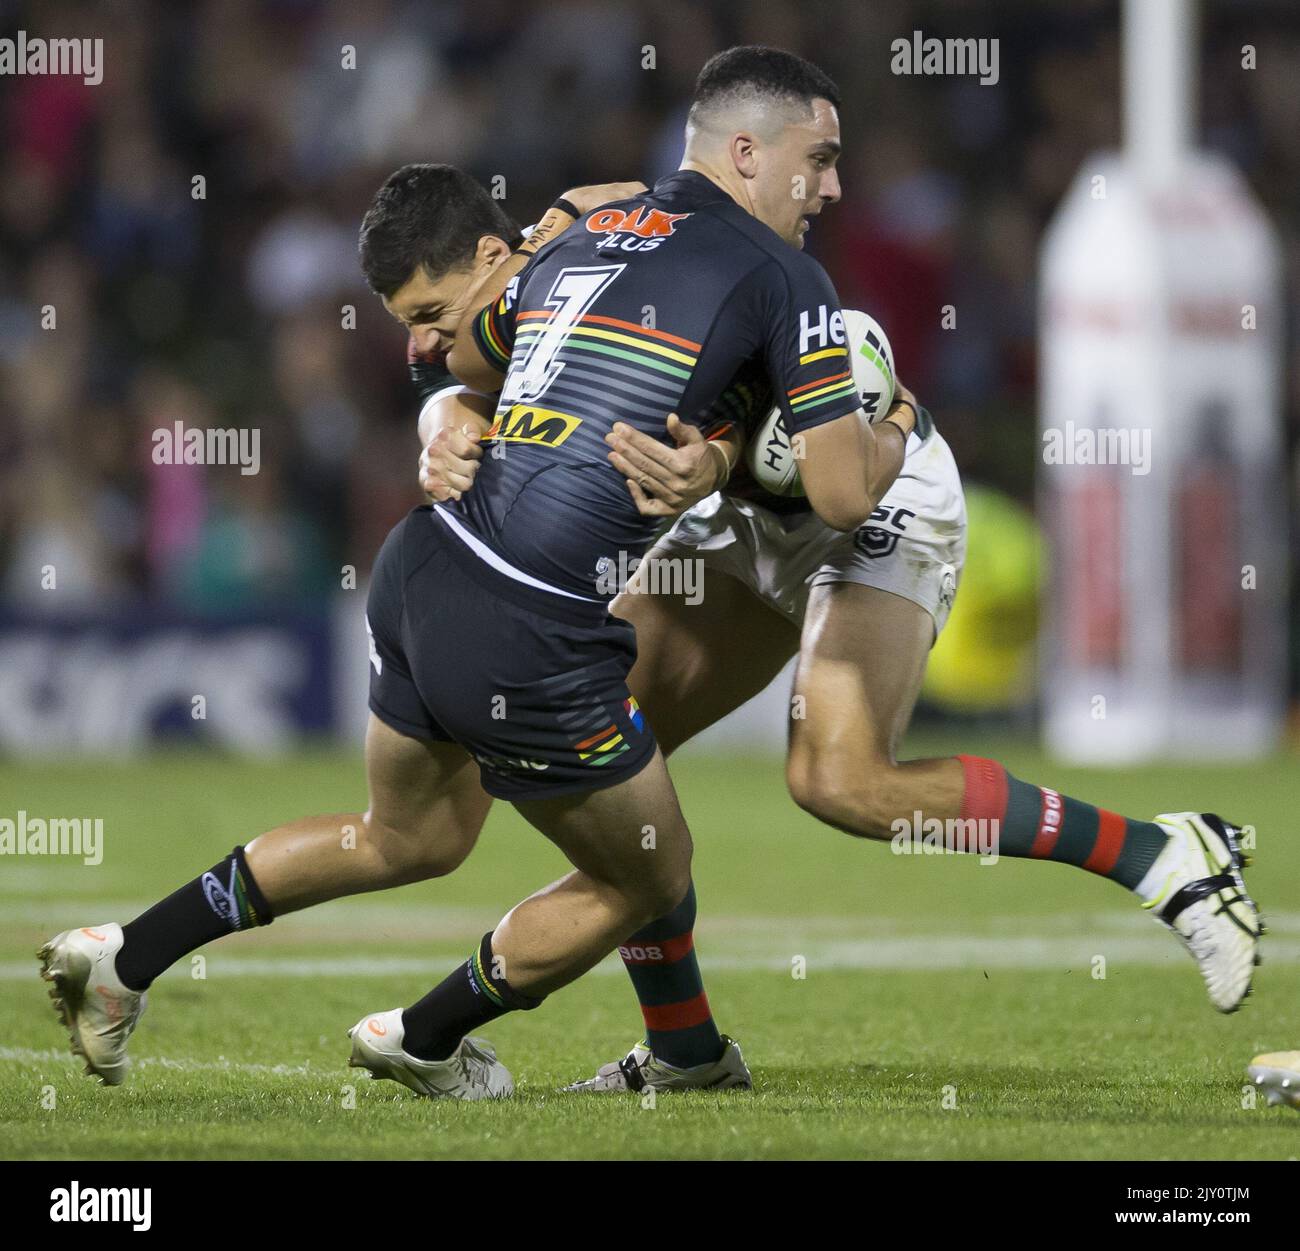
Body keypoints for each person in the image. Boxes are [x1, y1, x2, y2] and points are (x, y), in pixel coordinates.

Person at [39, 46, 915, 1099]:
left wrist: (449, 414)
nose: (829, 188)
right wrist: (895, 419)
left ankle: (123, 958)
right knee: (647, 874)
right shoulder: (787, 282)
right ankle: (424, 1037)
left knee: (402, 837)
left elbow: (455, 354)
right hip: (531, 620)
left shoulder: (578, 234)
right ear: (746, 152)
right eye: (815, 162)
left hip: (424, 562)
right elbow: (841, 497)